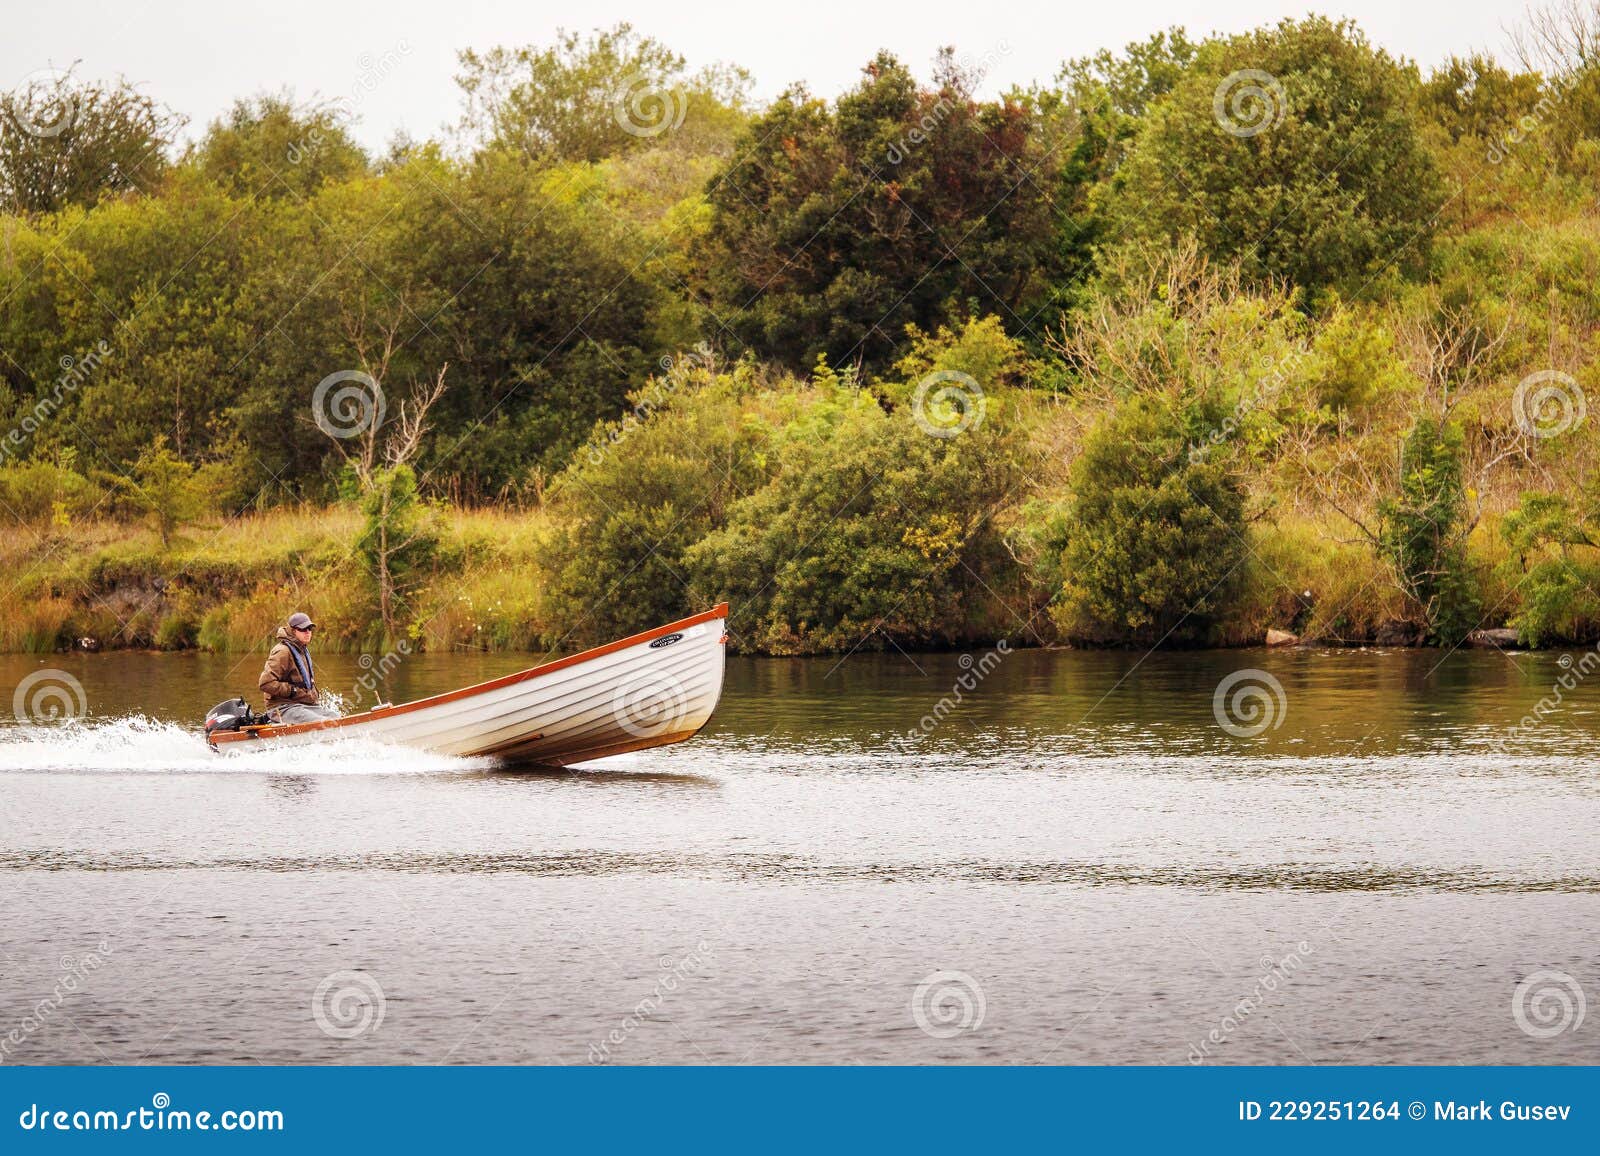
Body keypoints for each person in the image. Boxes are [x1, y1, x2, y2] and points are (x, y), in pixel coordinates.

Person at [259, 612, 340, 724]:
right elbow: (265, 683)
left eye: (310, 629)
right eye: (303, 629)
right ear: (293, 631)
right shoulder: (282, 651)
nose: (307, 632)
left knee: (336, 716)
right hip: (282, 708)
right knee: (322, 722)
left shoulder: (302, 650)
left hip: (302, 706)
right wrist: (292, 691)